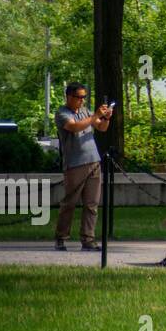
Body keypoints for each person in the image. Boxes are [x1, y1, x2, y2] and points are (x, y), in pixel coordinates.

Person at [54, 82, 112, 251]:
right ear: (68, 97)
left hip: (93, 161)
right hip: (74, 164)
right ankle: (61, 237)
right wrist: (95, 116)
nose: (81, 101)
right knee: (69, 203)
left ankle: (88, 239)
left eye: (83, 97)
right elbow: (74, 127)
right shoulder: (62, 113)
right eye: (78, 97)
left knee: (92, 204)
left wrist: (106, 118)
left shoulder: (86, 112)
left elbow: (101, 128)